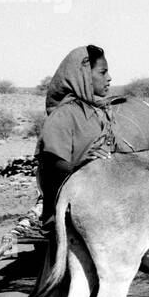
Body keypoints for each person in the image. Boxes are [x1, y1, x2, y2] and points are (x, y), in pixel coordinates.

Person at [36, 45, 116, 221]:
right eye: (103, 73)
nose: (109, 78)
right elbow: (50, 165)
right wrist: (83, 166)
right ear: (84, 75)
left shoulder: (100, 111)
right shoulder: (63, 115)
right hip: (70, 208)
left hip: (102, 201)